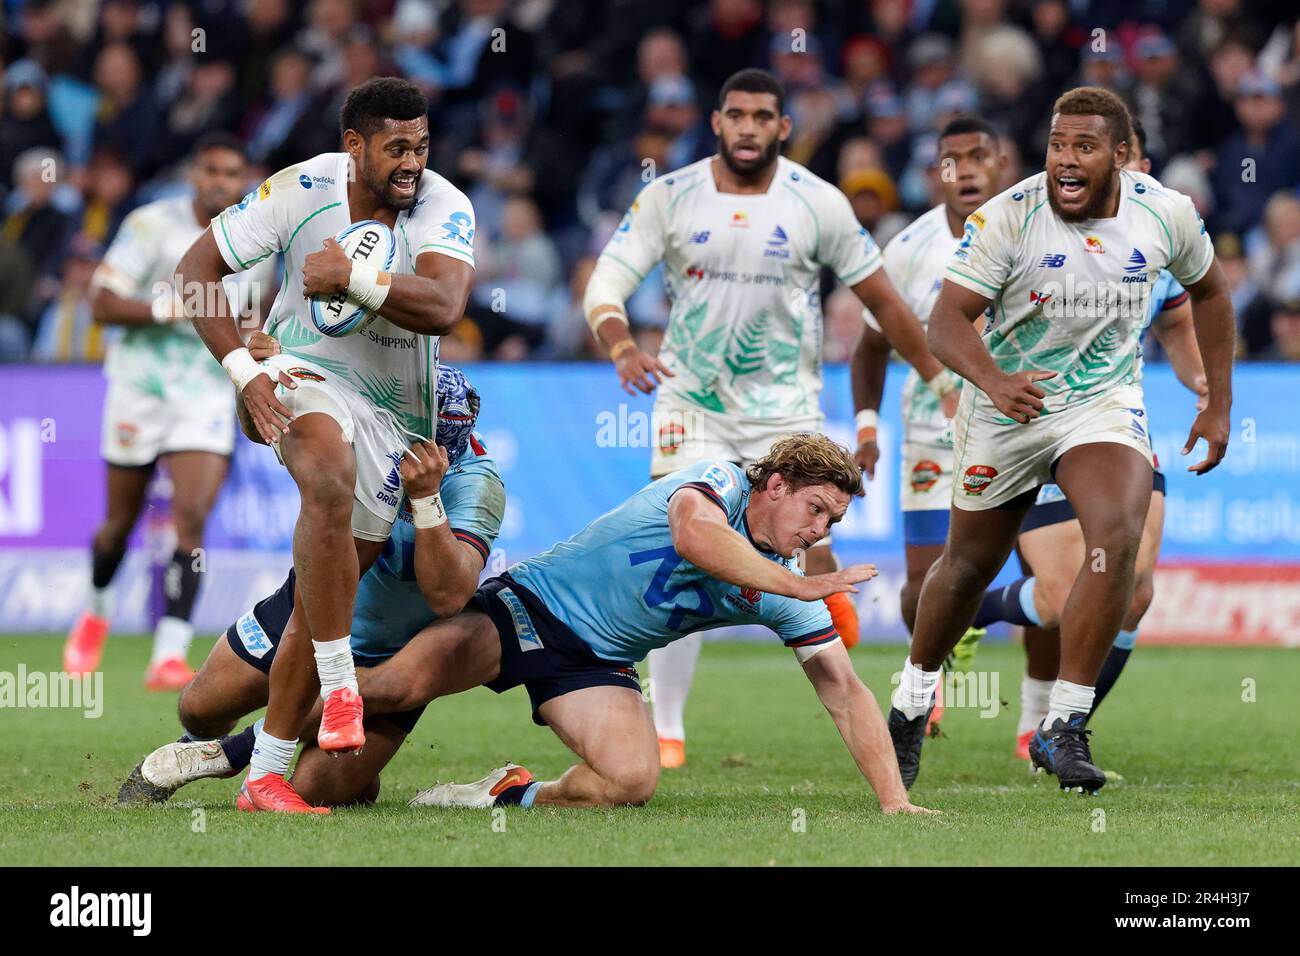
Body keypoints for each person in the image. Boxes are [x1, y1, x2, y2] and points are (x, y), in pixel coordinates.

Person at [582, 68, 955, 770]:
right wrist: (622, 343)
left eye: (763, 116)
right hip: (691, 402)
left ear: (783, 128)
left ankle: (819, 573)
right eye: (737, 115)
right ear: (717, 122)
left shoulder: (819, 203)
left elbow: (884, 300)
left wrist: (938, 377)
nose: (749, 127)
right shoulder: (670, 195)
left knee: (807, 540)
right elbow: (607, 282)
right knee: (685, 551)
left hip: (786, 406)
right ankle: (667, 730)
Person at [889, 86, 1234, 794]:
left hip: (1101, 408)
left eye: (1084, 147)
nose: (1065, 161)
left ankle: (1063, 724)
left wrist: (1219, 401)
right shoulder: (1009, 217)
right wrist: (993, 380)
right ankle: (911, 699)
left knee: (1116, 536)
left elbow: (1212, 294)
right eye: (1056, 145)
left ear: (1120, 157)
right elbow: (945, 323)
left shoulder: (1164, 213)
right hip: (1005, 409)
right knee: (963, 569)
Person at [176, 77, 476, 812]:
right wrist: (245, 372)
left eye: (423, 144)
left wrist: (356, 279)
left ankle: (264, 777)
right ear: (355, 146)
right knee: (325, 471)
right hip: (300, 371)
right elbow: (195, 274)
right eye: (397, 147)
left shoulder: (445, 206)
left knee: (325, 592)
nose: (413, 162)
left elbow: (443, 306)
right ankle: (342, 688)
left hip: (394, 416)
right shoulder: (299, 187)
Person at [357, 434, 930, 814]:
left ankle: (503, 795)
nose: (820, 531)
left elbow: (846, 692)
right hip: (532, 608)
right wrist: (801, 584)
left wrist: (893, 801)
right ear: (776, 485)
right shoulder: (720, 481)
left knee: (631, 782)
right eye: (816, 509)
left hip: (596, 665)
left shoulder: (783, 588)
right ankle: (269, 741)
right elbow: (695, 537)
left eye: (832, 520)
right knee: (391, 688)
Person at [118, 360, 503, 812]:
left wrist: (425, 499)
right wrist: (252, 378)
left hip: (389, 648)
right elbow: (265, 429)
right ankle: (323, 761)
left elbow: (448, 596)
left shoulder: (479, 484)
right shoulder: (362, 419)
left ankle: (233, 754)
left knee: (316, 789)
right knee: (199, 709)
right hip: (308, 604)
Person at [968, 118, 1211, 759]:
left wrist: (1205, 386)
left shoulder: (1158, 240)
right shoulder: (1028, 225)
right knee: (1055, 598)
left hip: (1113, 423)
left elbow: (1181, 328)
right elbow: (961, 323)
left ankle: (1059, 731)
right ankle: (976, 607)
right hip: (1035, 422)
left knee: (1134, 589)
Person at [62, 134, 274, 689]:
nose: (222, 183)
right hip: (140, 389)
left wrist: (257, 343)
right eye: (212, 171)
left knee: (192, 516)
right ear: (195, 175)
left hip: (204, 392)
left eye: (233, 174)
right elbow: (102, 302)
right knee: (118, 525)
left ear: (242, 180)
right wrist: (176, 307)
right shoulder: (150, 225)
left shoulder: (256, 241)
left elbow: (256, 315)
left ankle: (170, 653)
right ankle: (95, 611)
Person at [851, 115, 1005, 724]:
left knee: (1055, 576)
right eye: (951, 159)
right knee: (922, 588)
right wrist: (866, 425)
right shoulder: (910, 249)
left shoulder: (1031, 229)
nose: (964, 169)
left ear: (1000, 163)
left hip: (1025, 426)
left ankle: (1040, 721)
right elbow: (868, 345)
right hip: (931, 435)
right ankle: (931, 669)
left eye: (977, 155)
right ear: (935, 172)